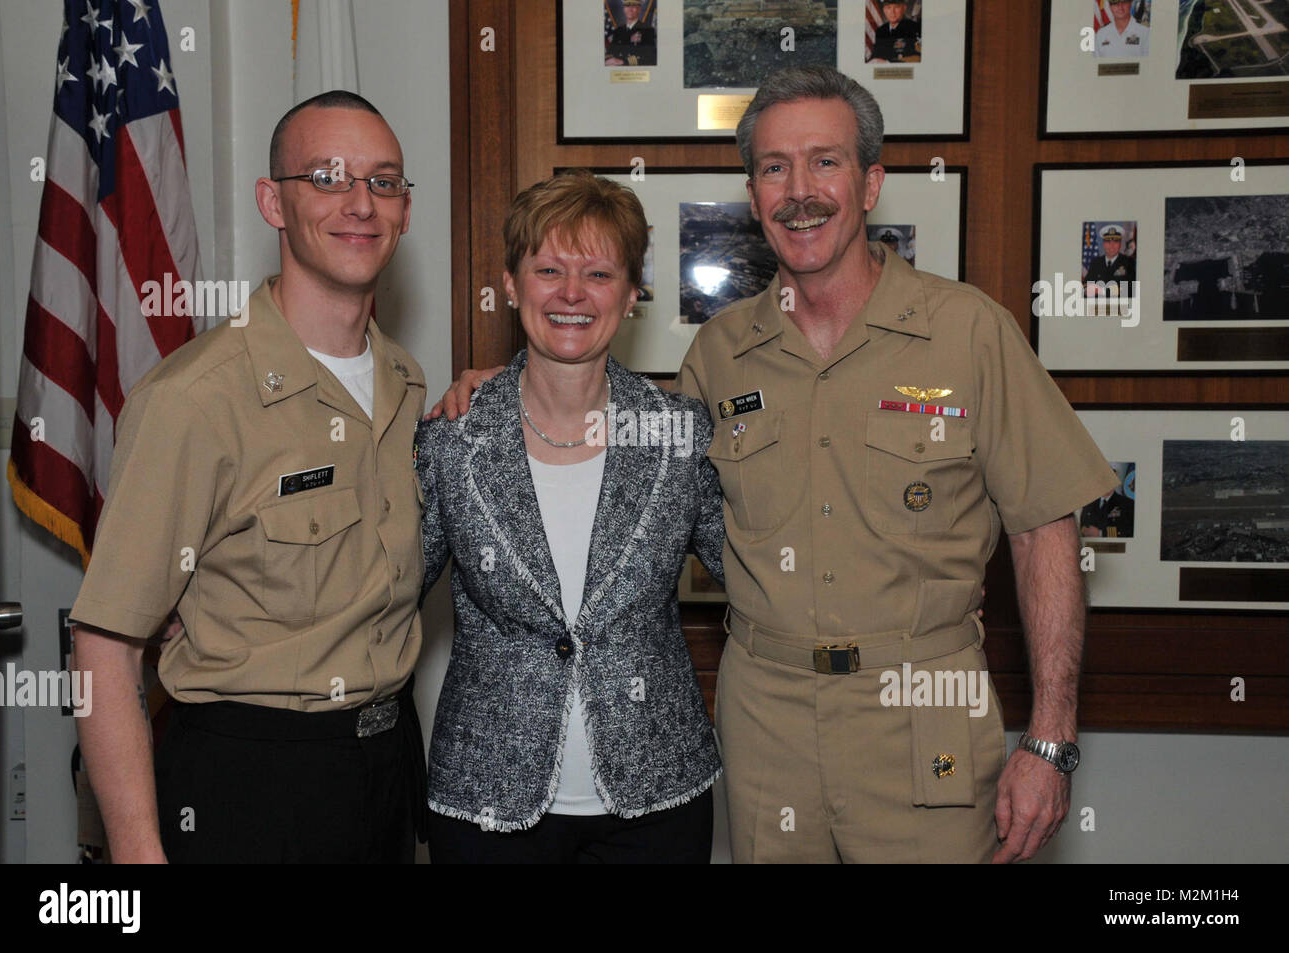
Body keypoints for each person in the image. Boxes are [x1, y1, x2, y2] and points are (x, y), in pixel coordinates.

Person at [432, 67, 1119, 864]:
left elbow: (1046, 526)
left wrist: (1053, 737)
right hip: (769, 729)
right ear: (753, 197)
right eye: (773, 168)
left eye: (824, 162)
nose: (800, 191)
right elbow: (630, 469)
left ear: (870, 184)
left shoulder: (969, 332)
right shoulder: (719, 355)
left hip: (922, 710)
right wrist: (504, 385)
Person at [71, 90, 429, 863]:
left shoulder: (406, 382)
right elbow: (103, 648)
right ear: (273, 201)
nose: (360, 204)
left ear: (405, 209)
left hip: (388, 769)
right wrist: (138, 858)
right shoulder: (195, 399)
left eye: (384, 181)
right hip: (251, 782)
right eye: (328, 178)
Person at [414, 170, 724, 863]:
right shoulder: (450, 439)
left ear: (632, 292)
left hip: (658, 803)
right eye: (548, 269)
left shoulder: (680, 434)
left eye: (599, 273)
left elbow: (761, 569)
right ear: (513, 284)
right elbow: (382, 595)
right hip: (487, 804)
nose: (572, 294)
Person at [1080, 465, 1135, 538]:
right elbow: (1082, 526)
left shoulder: (1127, 504)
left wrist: (1101, 533)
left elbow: (1129, 531)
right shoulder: (1088, 504)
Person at [1083, 224, 1136, 289]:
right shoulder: (1096, 263)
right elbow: (1085, 285)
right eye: (1108, 241)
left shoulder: (1129, 263)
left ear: (1120, 243)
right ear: (1103, 244)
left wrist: (1101, 291)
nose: (1112, 245)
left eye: (1116, 241)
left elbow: (1131, 289)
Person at [605, 0, 657, 66]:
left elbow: (651, 57)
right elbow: (610, 52)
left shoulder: (647, 30)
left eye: (634, 6)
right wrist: (609, 60)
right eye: (627, 6)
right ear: (624, 9)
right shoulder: (618, 30)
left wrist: (624, 61)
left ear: (639, 9)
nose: (630, 9)